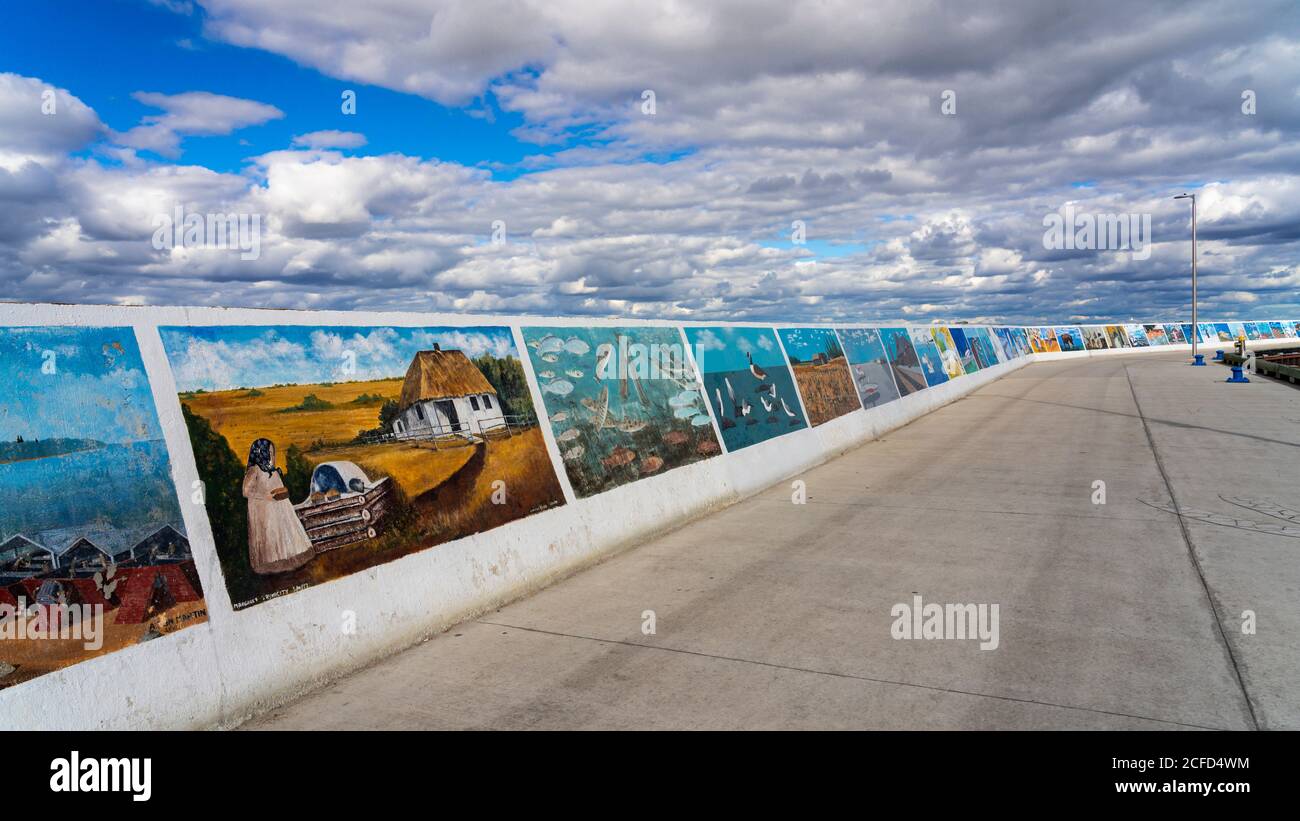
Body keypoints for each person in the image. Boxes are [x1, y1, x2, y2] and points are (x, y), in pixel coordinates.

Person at [242, 438, 314, 574]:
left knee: (282, 533)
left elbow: (277, 487)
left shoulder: (273, 471)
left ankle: (287, 560)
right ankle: (271, 565)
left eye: (273, 453)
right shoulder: (254, 470)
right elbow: (246, 491)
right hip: (263, 509)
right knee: (270, 534)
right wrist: (266, 496)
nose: (272, 456)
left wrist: (282, 492)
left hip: (278, 508)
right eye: (269, 453)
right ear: (261, 453)